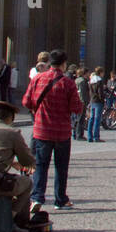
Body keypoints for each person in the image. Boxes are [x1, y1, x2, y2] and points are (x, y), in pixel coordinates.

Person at [21, 48, 81, 212]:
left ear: (50, 63)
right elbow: (76, 107)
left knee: (40, 165)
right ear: (63, 64)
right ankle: (60, 199)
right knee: (61, 167)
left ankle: (37, 197)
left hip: (42, 130)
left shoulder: (38, 79)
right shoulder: (68, 83)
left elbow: (26, 101)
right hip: (62, 131)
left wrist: (37, 109)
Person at [86, 67, 105, 142]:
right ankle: (96, 137)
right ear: (100, 72)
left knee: (91, 118)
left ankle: (89, 136)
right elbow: (100, 92)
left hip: (92, 100)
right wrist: (102, 100)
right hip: (98, 101)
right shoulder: (99, 81)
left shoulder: (91, 80)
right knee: (97, 119)